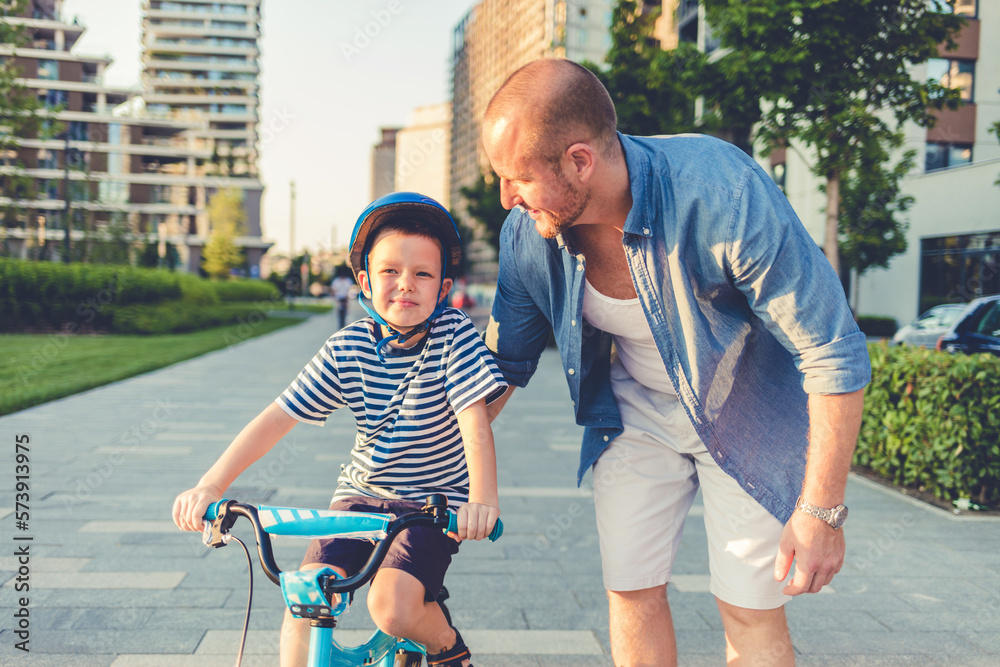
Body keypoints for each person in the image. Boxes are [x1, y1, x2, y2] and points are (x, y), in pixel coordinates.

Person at [480, 58, 870, 666]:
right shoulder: (528, 234)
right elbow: (502, 366)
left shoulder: (722, 193)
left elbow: (832, 349)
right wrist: (420, 464)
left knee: (748, 607)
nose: (504, 196)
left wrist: (821, 511)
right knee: (631, 591)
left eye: (517, 177)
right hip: (632, 415)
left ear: (580, 160)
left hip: (747, 414)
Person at [173, 192, 507, 667]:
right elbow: (277, 418)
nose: (405, 285)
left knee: (391, 608)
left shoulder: (454, 335)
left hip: (432, 504)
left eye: (422, 274)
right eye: (390, 271)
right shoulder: (346, 347)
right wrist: (211, 485)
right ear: (365, 283)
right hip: (359, 496)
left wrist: (483, 501)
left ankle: (446, 647)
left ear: (443, 286)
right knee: (305, 602)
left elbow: (474, 424)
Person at [330, 264, 355, 330]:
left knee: (345, 313)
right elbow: (333, 290)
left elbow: (350, 289)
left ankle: (344, 325)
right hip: (339, 298)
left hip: (345, 298)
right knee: (339, 313)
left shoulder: (348, 280)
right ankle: (340, 325)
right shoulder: (336, 281)